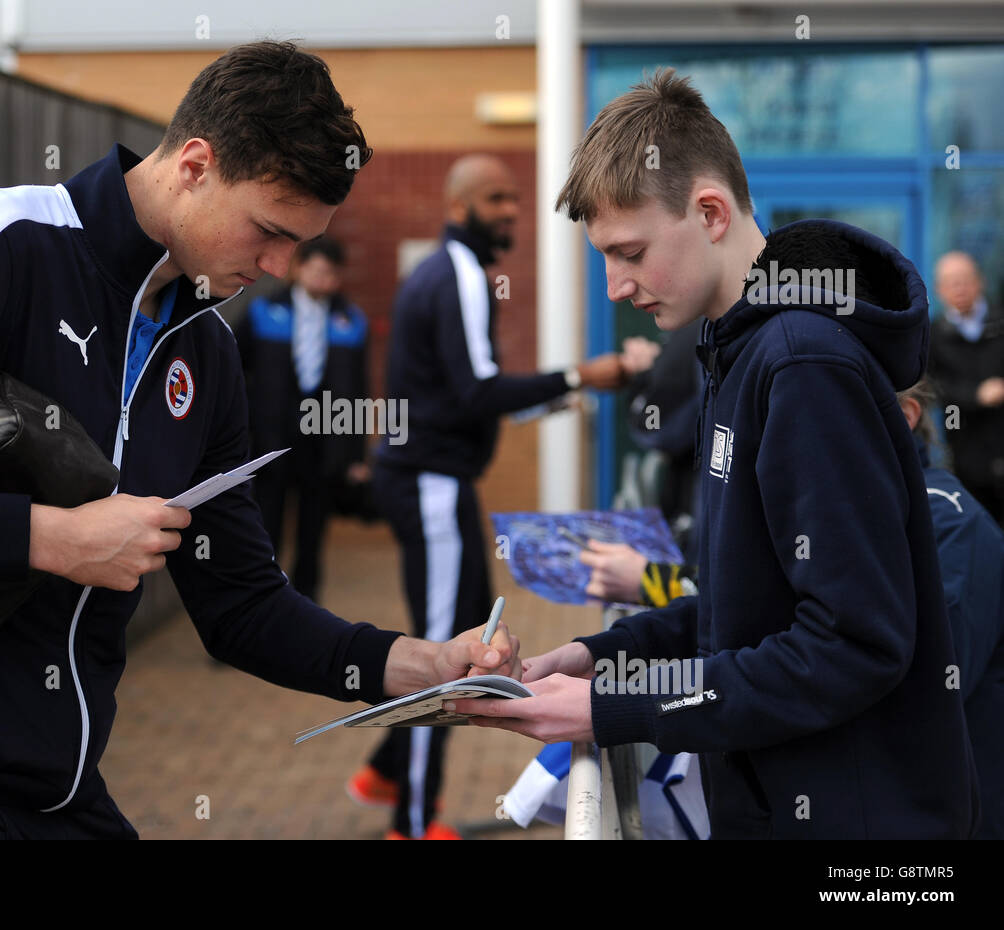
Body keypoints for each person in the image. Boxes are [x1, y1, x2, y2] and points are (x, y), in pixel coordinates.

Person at [0, 41, 519, 840]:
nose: (282, 265)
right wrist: (49, 538)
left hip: (59, 794)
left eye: (301, 241)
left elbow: (243, 604)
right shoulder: (4, 240)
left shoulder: (208, 349)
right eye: (268, 230)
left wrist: (417, 665)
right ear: (193, 165)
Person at [451, 69, 979, 839]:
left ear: (709, 212)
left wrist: (616, 708)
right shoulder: (737, 351)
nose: (614, 287)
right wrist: (604, 657)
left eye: (628, 252)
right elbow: (748, 604)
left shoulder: (802, 364)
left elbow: (853, 643)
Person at [345, 153, 632, 840]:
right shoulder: (463, 276)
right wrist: (578, 376)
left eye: (513, 199)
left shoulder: (447, 274)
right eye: (497, 198)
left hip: (438, 479)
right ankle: (413, 823)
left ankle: (386, 770)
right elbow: (477, 392)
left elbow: (461, 395)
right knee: (445, 657)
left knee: (472, 624)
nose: (510, 211)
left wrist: (547, 401)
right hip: (431, 484)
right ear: (458, 206)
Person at [897, 378, 1004, 839]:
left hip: (955, 815)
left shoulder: (947, 519)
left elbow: (937, 682)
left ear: (905, 416)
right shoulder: (872, 511)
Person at [236, 236, 371, 602]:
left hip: (323, 445)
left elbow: (359, 390)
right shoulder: (264, 312)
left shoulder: (351, 321)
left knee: (312, 534)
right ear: (299, 268)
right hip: (270, 443)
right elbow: (233, 370)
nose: (323, 279)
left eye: (331, 273)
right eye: (317, 270)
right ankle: (257, 612)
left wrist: (357, 456)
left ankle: (307, 614)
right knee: (265, 531)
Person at [928, 251, 1004, 525]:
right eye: (951, 283)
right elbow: (932, 388)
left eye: (964, 280)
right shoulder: (933, 335)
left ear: (980, 282)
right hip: (963, 444)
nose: (959, 289)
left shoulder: (1000, 322)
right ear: (939, 290)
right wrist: (973, 395)